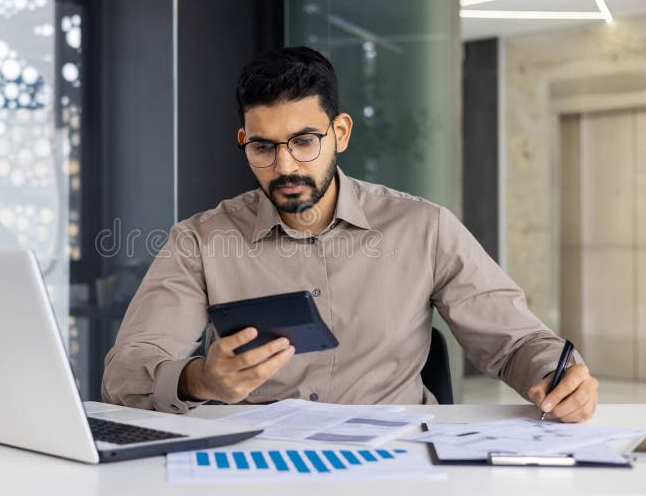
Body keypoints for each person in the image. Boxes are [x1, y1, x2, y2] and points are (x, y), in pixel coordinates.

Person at [102, 46, 598, 422]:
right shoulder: (202, 240)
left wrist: (555, 373)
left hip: (398, 464)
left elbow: (514, 341)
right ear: (243, 142)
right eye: (263, 147)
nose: (284, 165)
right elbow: (127, 373)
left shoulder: (423, 227)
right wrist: (200, 379)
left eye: (304, 141)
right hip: (255, 465)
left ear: (340, 132)